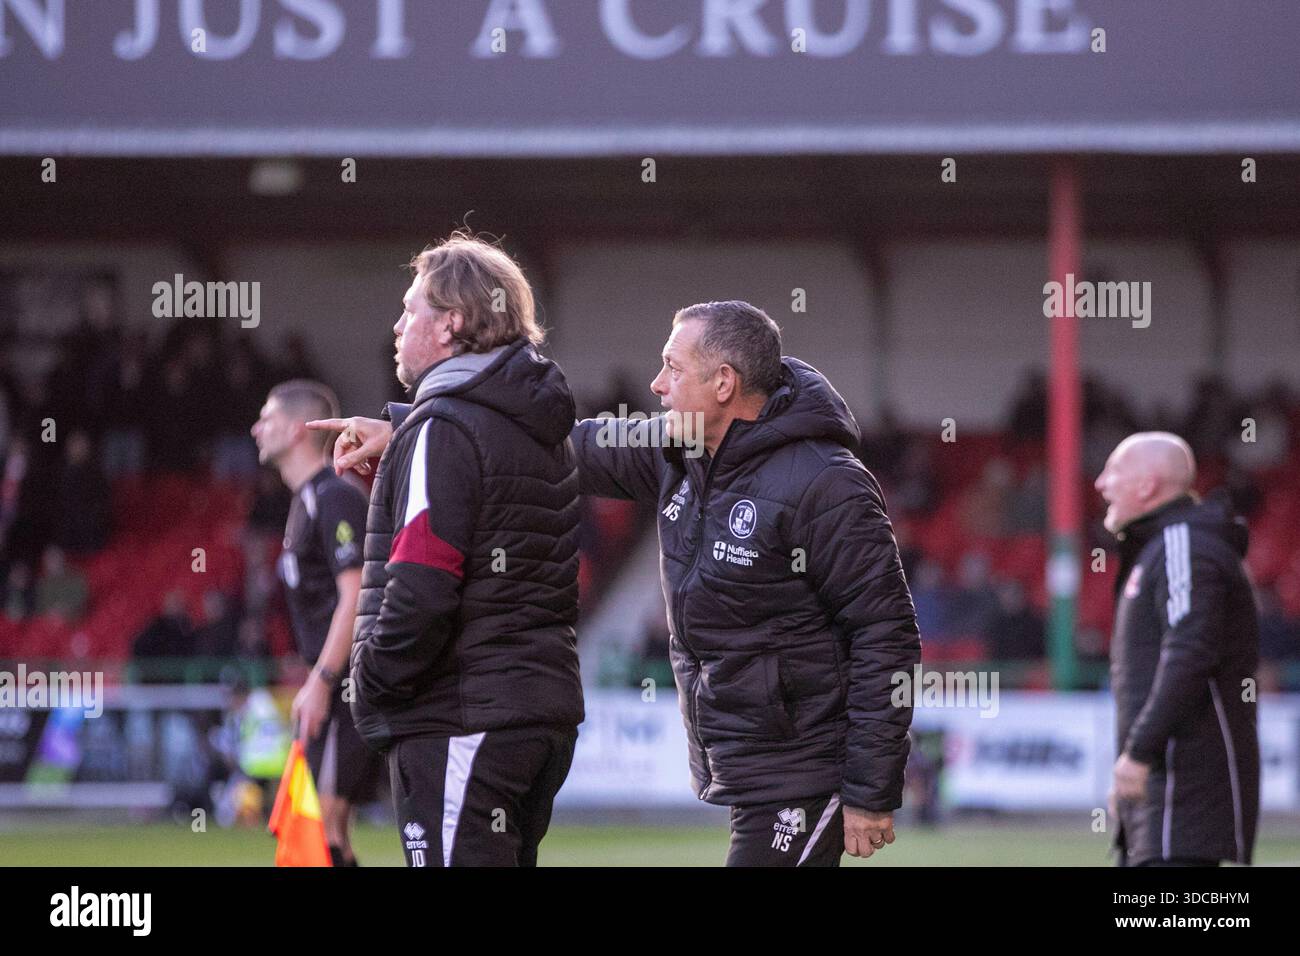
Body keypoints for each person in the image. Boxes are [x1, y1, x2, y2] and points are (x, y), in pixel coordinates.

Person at [316, 299, 921, 866]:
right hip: (756, 768)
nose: (655, 386)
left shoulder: (826, 482)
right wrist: (411, 431)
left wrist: (869, 789)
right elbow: (548, 446)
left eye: (671, 369)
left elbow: (886, 634)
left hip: (810, 768)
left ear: (724, 383)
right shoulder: (674, 451)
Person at [315, 233, 584, 867]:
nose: (398, 324)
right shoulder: (538, 429)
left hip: (462, 717)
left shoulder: (442, 428)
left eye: (410, 309)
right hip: (535, 715)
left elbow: (422, 585)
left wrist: (371, 682)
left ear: (452, 324)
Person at [1095, 431, 1260, 866]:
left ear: (1147, 485)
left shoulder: (1181, 545)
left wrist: (1138, 752)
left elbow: (1189, 652)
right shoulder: (1161, 548)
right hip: (1163, 797)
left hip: (1186, 798)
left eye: (1113, 471)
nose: (1101, 484)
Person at [251, 379, 380, 867]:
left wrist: (323, 680)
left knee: (325, 823)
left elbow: (355, 595)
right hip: (331, 685)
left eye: (267, 417)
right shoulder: (303, 504)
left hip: (350, 686)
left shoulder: (334, 498)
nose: (256, 428)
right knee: (328, 833)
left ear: (295, 428)